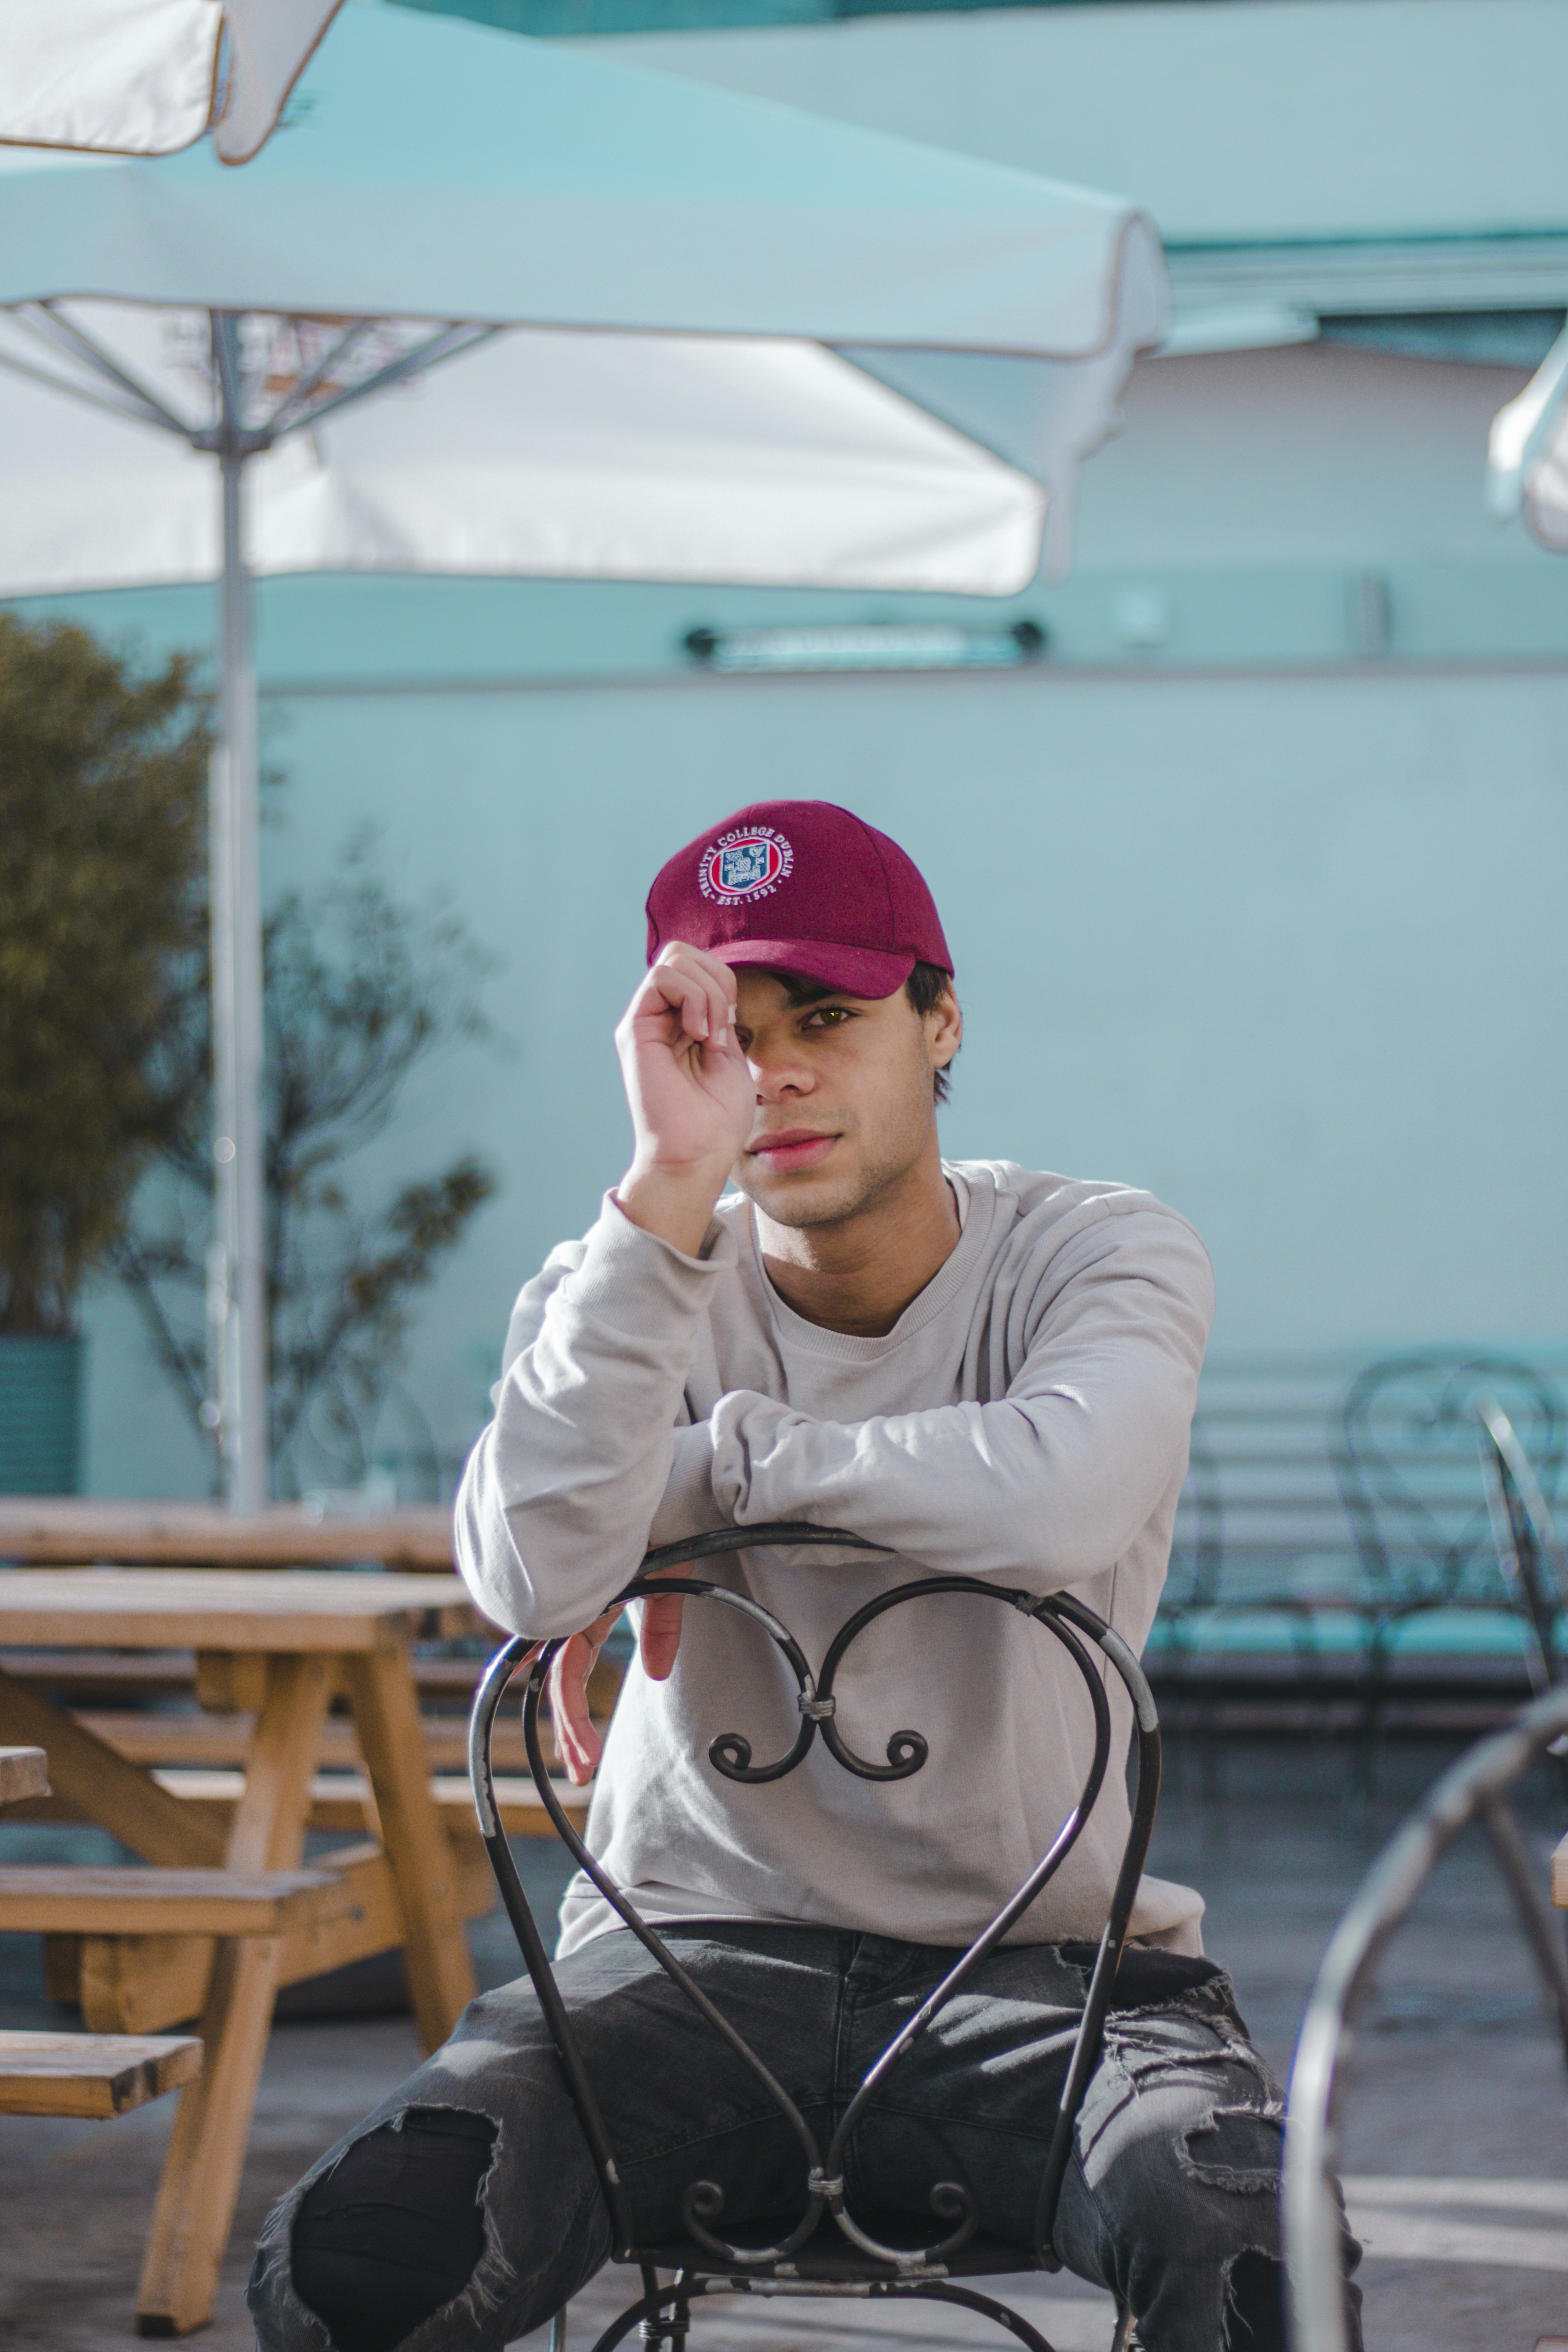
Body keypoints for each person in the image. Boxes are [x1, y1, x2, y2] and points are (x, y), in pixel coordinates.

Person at [250, 799, 1359, 2352]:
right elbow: (525, 1572)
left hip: (1052, 1986)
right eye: (723, 1032)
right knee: (350, 2266)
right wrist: (667, 1184)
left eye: (828, 1018)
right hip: (674, 1969)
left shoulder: (1097, 1250)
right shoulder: (616, 1286)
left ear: (940, 1016)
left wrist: (701, 1481)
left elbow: (1061, 1496)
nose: (773, 1073)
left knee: (1260, 2275)